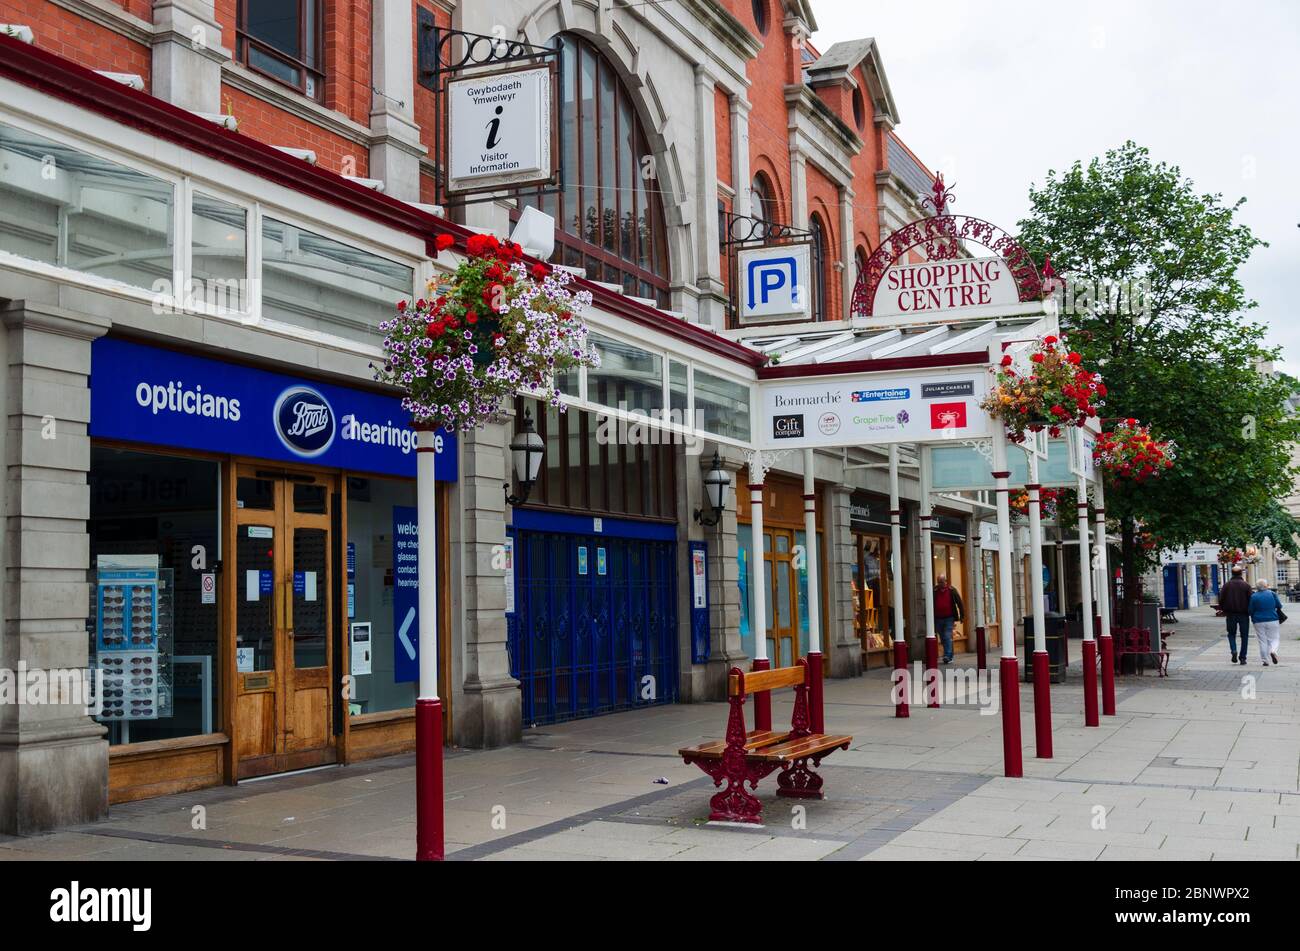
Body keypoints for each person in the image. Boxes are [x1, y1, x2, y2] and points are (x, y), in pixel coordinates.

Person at [1218, 566, 1253, 665]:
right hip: (1244, 614)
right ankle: (1243, 658)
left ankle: (1233, 650)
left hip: (1230, 614)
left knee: (1231, 634)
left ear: (1232, 574)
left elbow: (1221, 600)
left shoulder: (1226, 585)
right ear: (1241, 573)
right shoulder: (1246, 585)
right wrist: (1250, 611)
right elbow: (1251, 600)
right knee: (1244, 636)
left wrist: (1224, 609)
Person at [1249, 578, 1283, 666]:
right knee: (1275, 638)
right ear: (1266, 586)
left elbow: (1250, 610)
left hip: (1258, 620)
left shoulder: (1254, 596)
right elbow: (1279, 605)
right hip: (1272, 619)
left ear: (1257, 587)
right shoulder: (1272, 594)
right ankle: (1273, 651)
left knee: (1262, 641)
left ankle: (1265, 660)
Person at [933, 574, 964, 664]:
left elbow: (959, 603)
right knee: (943, 638)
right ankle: (950, 655)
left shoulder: (951, 590)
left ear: (945, 581)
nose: (940, 584)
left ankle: (947, 656)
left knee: (947, 636)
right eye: (939, 582)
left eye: (942, 582)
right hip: (938, 618)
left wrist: (962, 616)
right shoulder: (935, 591)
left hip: (949, 618)